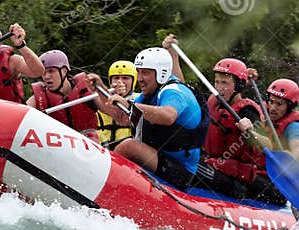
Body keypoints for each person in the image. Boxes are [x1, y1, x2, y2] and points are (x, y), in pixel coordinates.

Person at [103, 46, 205, 189]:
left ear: (162, 73)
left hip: (182, 171)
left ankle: (108, 186)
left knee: (129, 146)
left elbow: (168, 116)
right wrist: (99, 89)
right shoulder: (147, 95)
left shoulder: (175, 92)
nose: (139, 79)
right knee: (110, 146)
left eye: (144, 73)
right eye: (138, 72)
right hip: (159, 157)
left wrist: (130, 106)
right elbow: (123, 119)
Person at [26, 50, 105, 141]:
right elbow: (19, 116)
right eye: (43, 73)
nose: (46, 76)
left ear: (64, 71)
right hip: (58, 149)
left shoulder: (86, 89)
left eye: (51, 71)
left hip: (88, 146)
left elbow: (110, 111)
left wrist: (102, 90)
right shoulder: (38, 99)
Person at [238, 75, 299, 167]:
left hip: (279, 174)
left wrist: (290, 158)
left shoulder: (295, 126)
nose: (272, 108)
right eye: (271, 102)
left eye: (279, 104)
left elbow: (298, 150)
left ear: (289, 107)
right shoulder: (261, 112)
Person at [96, 60, 139, 147]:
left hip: (127, 152)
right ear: (110, 81)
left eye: (125, 78)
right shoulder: (100, 99)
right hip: (103, 149)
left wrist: (122, 99)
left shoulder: (140, 99)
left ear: (133, 81)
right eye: (116, 78)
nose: (120, 82)